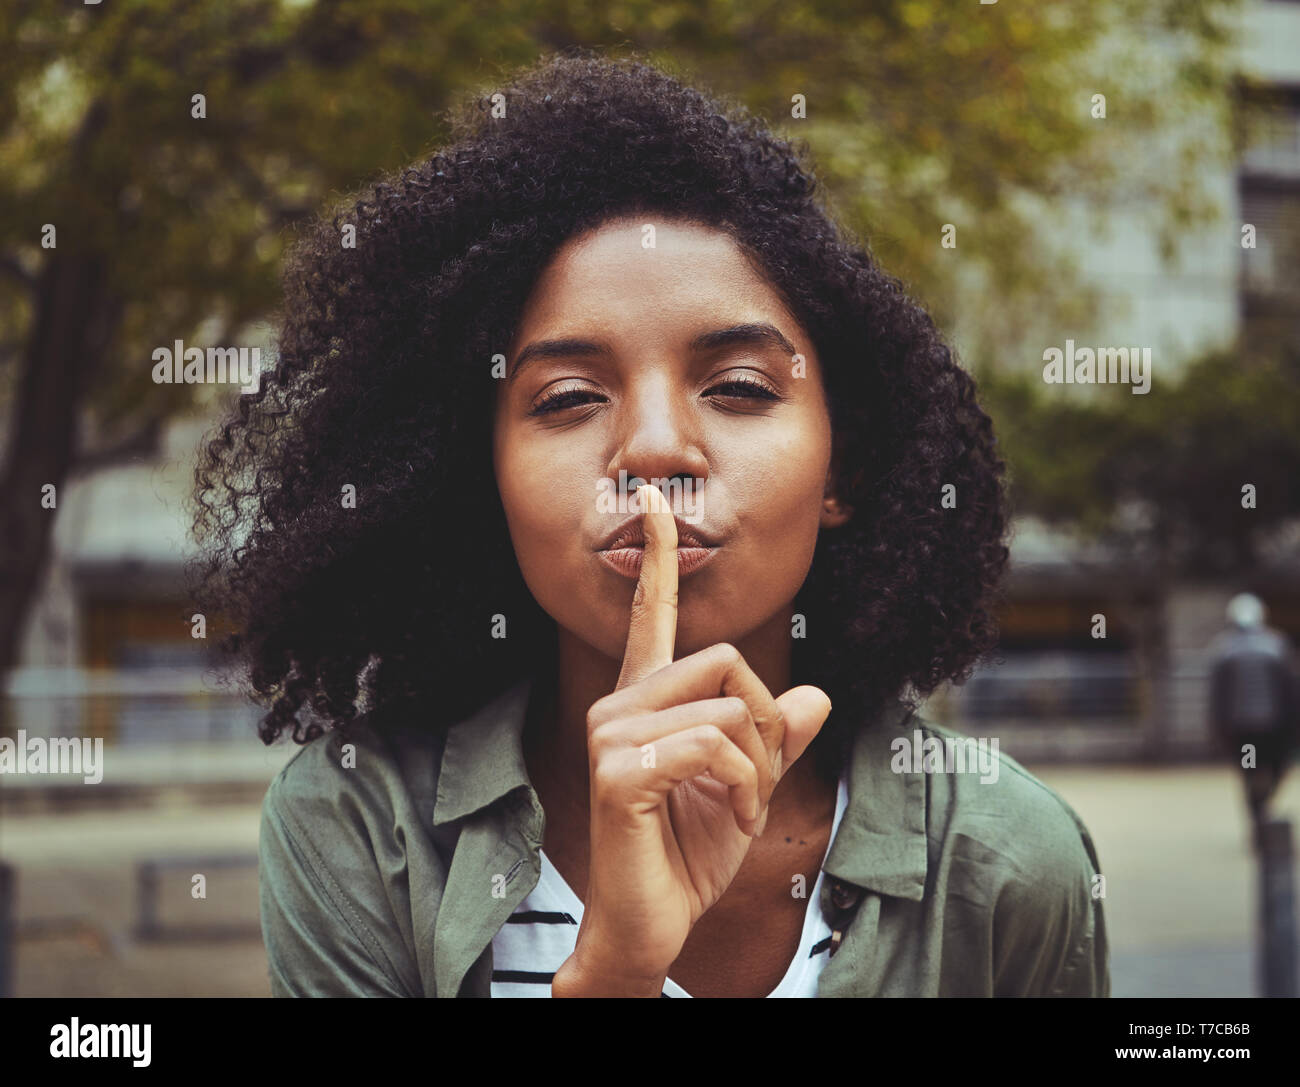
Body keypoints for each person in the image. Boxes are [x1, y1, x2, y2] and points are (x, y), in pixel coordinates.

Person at [191, 50, 1108, 997]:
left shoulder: (1010, 862)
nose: (657, 448)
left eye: (741, 387)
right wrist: (615, 970)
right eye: (570, 397)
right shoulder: (358, 825)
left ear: (845, 468)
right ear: (482, 478)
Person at [1209, 593, 1298, 836]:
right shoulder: (1277, 645)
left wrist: (1218, 729)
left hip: (1242, 730)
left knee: (1250, 771)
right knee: (1275, 766)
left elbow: (1218, 696)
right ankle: (1264, 804)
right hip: (1272, 727)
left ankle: (1258, 815)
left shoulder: (1224, 649)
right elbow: (1290, 690)